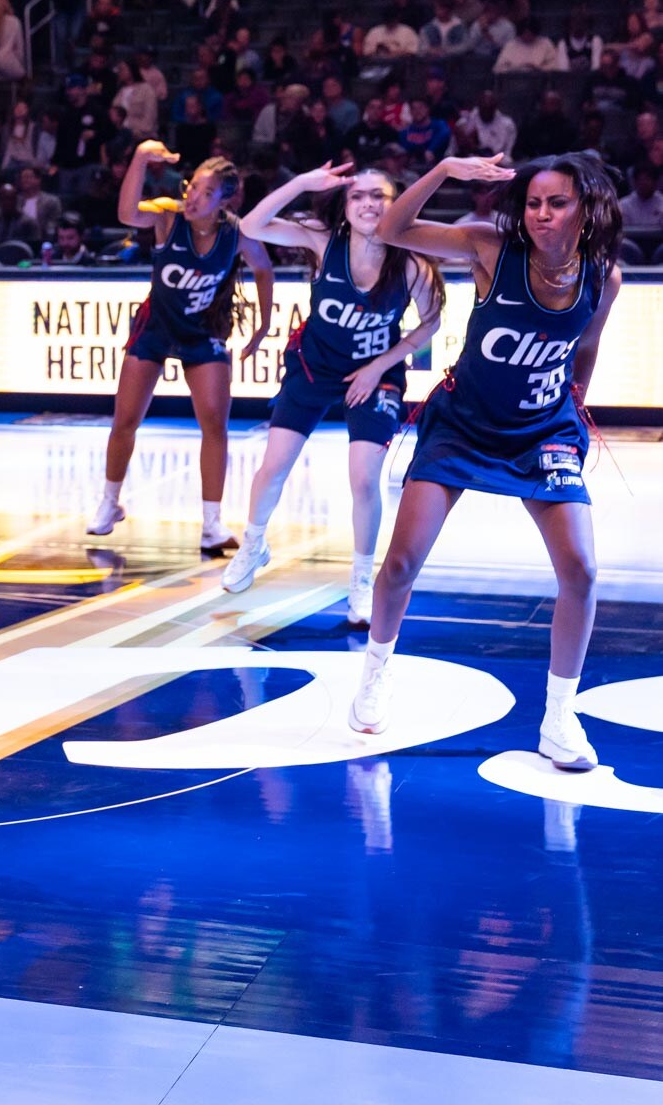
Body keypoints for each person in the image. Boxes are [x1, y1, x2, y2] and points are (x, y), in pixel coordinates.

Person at [350, 151, 621, 771]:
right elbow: (391, 230)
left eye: (557, 203)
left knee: (580, 569)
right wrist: (445, 169)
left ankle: (559, 717)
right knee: (400, 563)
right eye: (533, 203)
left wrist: (574, 413)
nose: (541, 214)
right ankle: (375, 673)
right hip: (464, 425)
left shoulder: (604, 275)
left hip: (541, 431)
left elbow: (586, 349)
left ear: (585, 209)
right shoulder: (491, 248)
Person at [224, 162, 445, 624]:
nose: (369, 204)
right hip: (314, 365)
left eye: (379, 196)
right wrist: (303, 182)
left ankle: (362, 578)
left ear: (396, 202)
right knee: (274, 465)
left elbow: (431, 323)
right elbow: (251, 225)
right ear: (344, 207)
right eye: (358, 195)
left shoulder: (411, 263)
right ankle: (253, 543)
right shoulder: (325, 241)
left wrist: (379, 366)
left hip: (375, 372)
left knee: (365, 477)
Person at [89, 141, 276, 552]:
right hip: (156, 325)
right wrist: (139, 158)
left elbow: (264, 269)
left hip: (202, 330)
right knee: (125, 419)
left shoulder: (237, 233)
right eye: (192, 187)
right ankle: (109, 503)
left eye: (207, 193)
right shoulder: (167, 217)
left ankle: (212, 523)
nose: (193, 197)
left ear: (225, 200)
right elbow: (125, 214)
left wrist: (264, 324)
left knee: (214, 423)